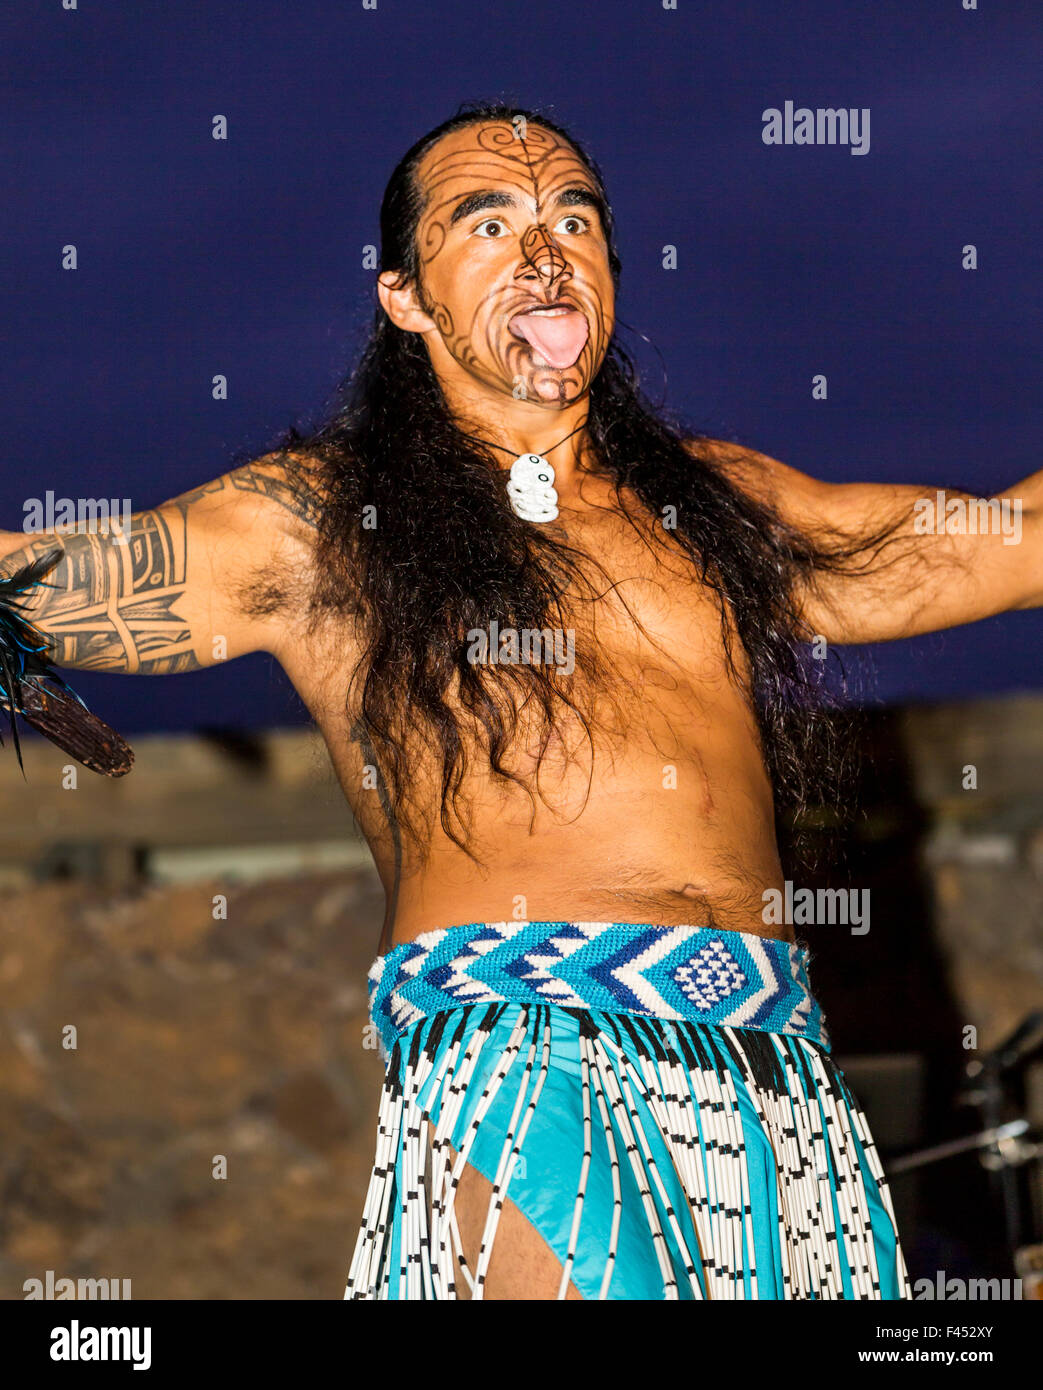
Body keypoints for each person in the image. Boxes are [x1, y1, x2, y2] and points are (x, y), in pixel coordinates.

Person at [2, 102, 1040, 1300]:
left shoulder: (716, 506)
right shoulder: (320, 523)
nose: (543, 249)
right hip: (522, 1039)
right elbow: (45, 585)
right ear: (404, 296)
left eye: (572, 217)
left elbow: (1002, 545)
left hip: (767, 1068)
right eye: (486, 222)